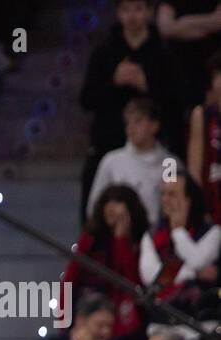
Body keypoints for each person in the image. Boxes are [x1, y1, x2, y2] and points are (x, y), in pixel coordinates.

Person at [81, 0, 185, 217]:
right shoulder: (104, 52)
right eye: (126, 9)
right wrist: (114, 82)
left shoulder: (165, 54)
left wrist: (146, 84)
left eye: (138, 9)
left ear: (148, 12)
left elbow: (179, 101)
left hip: (159, 150)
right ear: (118, 13)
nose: (132, 16)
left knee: (164, 204)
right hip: (110, 145)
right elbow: (86, 99)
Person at [64, 184, 151, 339]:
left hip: (125, 320)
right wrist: (63, 323)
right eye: (107, 202)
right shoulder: (90, 239)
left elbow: (132, 281)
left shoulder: (142, 241)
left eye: (118, 201)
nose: (111, 206)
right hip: (89, 307)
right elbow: (70, 279)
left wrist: (121, 239)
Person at [86, 97, 179, 224]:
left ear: (154, 125)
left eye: (138, 121)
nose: (131, 128)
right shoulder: (112, 161)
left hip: (155, 237)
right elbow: (94, 207)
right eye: (127, 123)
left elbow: (175, 206)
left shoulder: (170, 164)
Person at [139, 174, 220, 307]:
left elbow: (196, 261)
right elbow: (152, 278)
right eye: (163, 194)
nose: (165, 200)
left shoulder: (212, 232)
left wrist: (178, 231)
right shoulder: (151, 235)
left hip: (202, 316)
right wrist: (194, 273)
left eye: (172, 194)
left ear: (189, 200)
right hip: (161, 316)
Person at [188, 51, 221, 224]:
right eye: (217, 76)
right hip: (210, 209)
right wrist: (200, 211)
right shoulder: (201, 116)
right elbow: (195, 170)